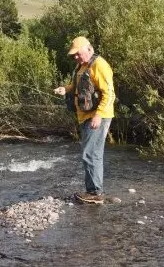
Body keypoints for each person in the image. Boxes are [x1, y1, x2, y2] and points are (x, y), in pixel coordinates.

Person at [54, 36, 115, 204]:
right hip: (86, 116)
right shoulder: (81, 66)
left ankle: (95, 193)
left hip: (97, 117)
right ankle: (94, 191)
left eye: (77, 54)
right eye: (73, 55)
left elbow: (110, 93)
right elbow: (75, 87)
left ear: (89, 49)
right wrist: (64, 89)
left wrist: (98, 115)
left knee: (90, 153)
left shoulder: (100, 65)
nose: (75, 57)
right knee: (91, 153)